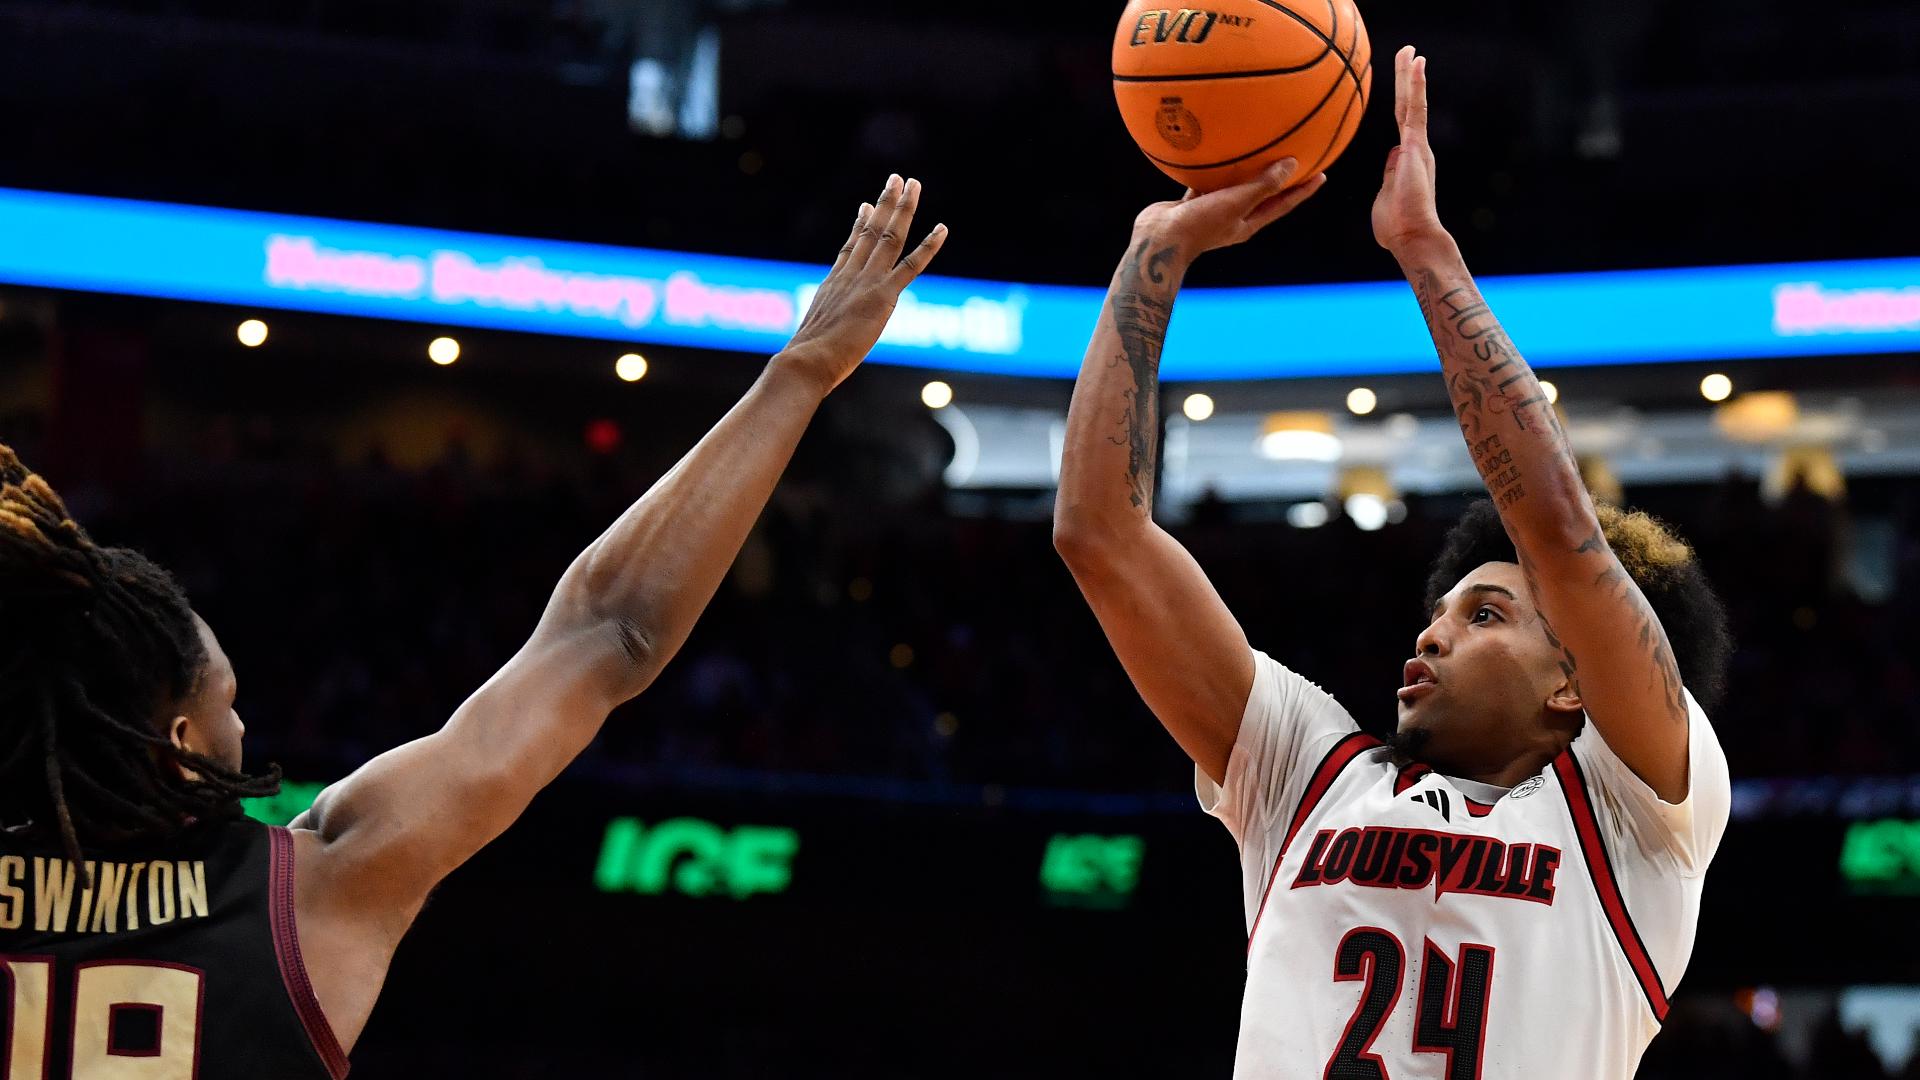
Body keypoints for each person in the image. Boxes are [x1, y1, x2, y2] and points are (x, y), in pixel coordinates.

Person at [0, 174, 945, 1078]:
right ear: (177, 746)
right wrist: (800, 374)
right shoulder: (316, 889)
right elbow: (610, 631)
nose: (245, 728)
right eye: (228, 702)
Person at [1053, 47, 1733, 1079]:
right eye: (1445, 610)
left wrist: (1425, 250)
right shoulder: (1309, 775)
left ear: (1574, 683)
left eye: (1486, 614)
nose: (1433, 631)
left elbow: (1559, 534)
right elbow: (1099, 534)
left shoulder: (1637, 817)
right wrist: (1155, 253)